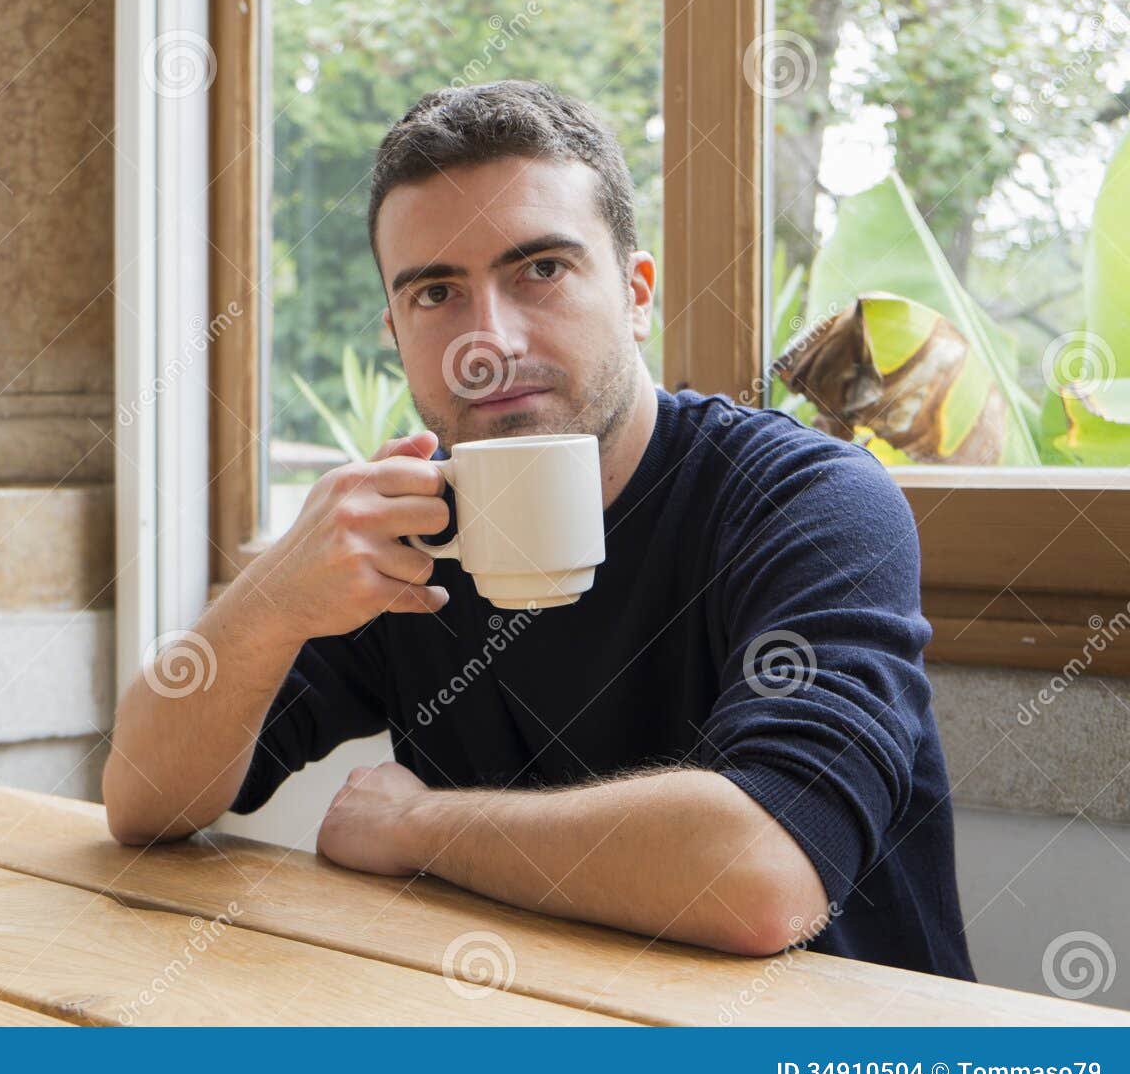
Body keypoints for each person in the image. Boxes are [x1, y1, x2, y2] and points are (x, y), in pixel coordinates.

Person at [103, 79, 976, 978]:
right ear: (396, 333)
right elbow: (141, 798)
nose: (491, 341)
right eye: (436, 292)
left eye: (542, 270)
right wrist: (275, 597)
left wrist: (418, 827)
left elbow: (757, 876)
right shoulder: (407, 525)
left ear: (636, 292)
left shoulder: (807, 501)